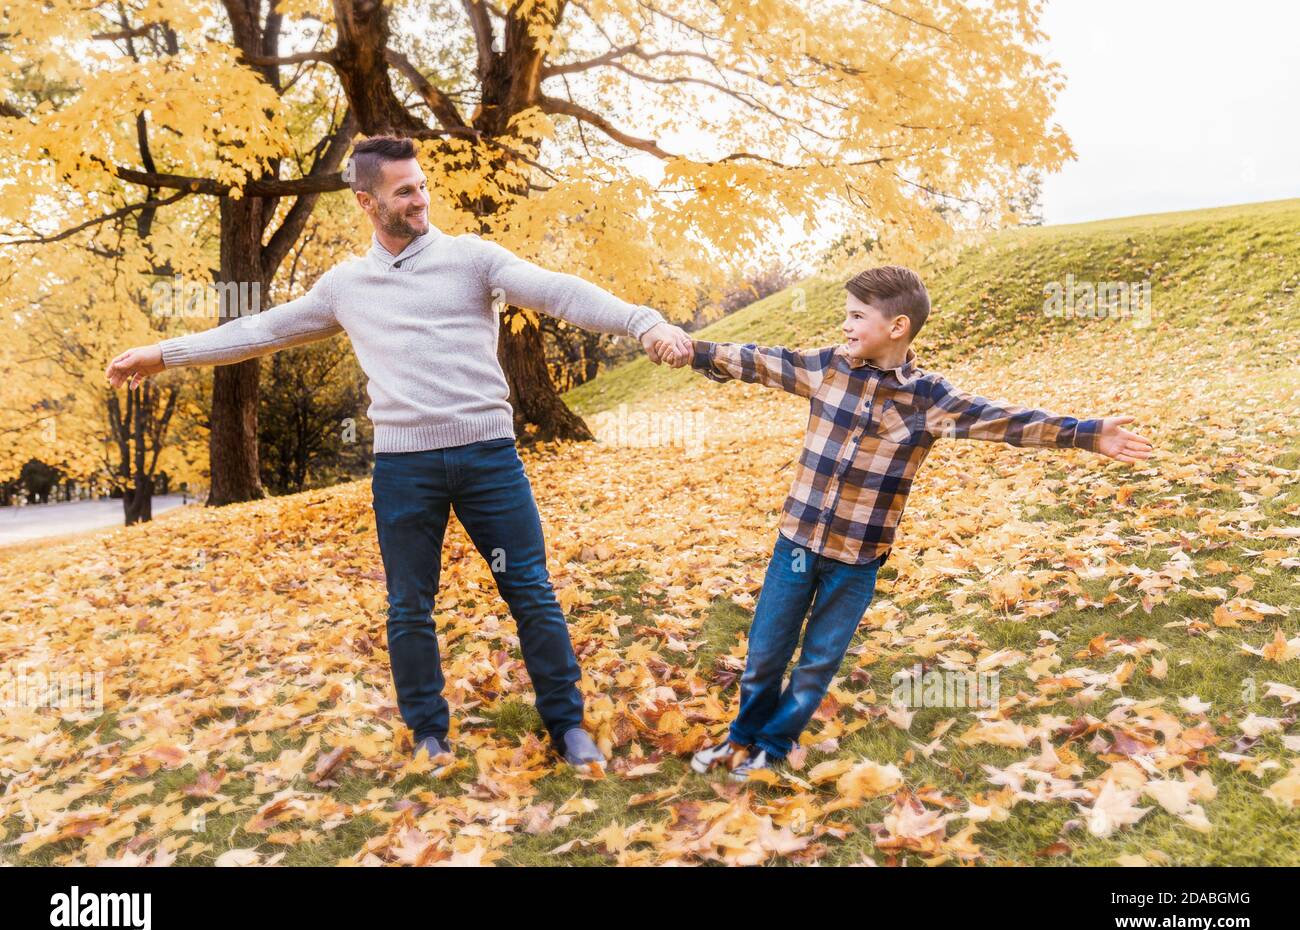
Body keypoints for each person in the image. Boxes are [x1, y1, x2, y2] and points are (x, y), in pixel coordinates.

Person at [106, 134, 692, 771]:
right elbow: (259, 330)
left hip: (488, 458)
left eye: (422, 187)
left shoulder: (473, 260)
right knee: (409, 605)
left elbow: (560, 291)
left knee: (530, 589)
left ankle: (567, 725)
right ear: (366, 202)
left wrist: (644, 321)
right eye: (404, 191)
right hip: (404, 469)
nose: (421, 200)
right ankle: (429, 733)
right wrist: (164, 354)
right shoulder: (345, 287)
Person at [650, 265, 1153, 780]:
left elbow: (1006, 421)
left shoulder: (930, 400)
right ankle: (740, 740)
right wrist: (694, 350)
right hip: (796, 545)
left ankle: (772, 747)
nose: (844, 326)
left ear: (897, 327)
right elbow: (759, 361)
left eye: (855, 316)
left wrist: (1087, 433)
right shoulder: (826, 369)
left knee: (817, 664)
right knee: (764, 655)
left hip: (857, 560)